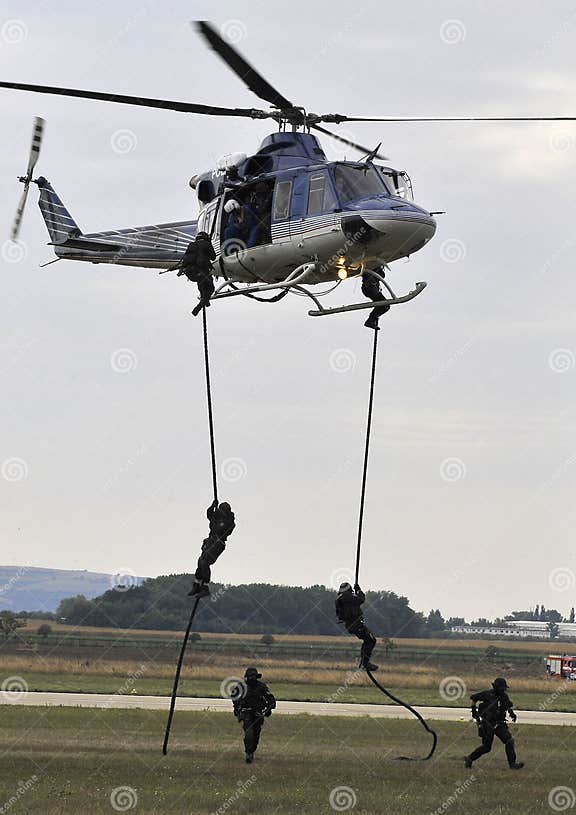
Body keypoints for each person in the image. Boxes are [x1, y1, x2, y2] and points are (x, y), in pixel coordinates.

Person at [464, 677, 524, 770]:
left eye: (504, 688)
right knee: (486, 747)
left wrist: (512, 714)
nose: (503, 690)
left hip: (499, 723)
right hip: (487, 724)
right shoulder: (487, 694)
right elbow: (473, 698)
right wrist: (473, 711)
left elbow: (508, 705)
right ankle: (469, 759)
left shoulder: (504, 696)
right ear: (496, 687)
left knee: (509, 741)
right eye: (501, 688)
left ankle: (512, 764)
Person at [188, 500, 235, 598]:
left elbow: (219, 529)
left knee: (205, 562)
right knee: (200, 561)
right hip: (210, 542)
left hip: (218, 544)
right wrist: (212, 506)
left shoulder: (229, 522)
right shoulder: (217, 517)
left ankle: (205, 587)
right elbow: (209, 514)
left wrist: (215, 520)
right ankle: (197, 584)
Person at [231, 667, 276, 763]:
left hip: (258, 713)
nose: (252, 678)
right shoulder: (241, 686)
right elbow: (234, 697)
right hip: (246, 712)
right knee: (249, 733)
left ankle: (251, 751)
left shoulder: (261, 686)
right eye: (250, 676)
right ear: (247, 677)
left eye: (254, 676)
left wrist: (269, 708)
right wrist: (237, 708)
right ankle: (249, 753)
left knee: (256, 734)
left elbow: (270, 698)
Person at [335, 582, 378, 671]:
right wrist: (358, 590)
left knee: (367, 640)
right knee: (371, 640)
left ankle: (363, 662)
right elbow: (361, 599)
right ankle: (365, 663)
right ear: (349, 590)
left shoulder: (339, 600)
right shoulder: (350, 598)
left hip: (350, 626)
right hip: (356, 625)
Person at [177, 232, 216, 316]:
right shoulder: (206, 244)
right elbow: (213, 257)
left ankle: (204, 299)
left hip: (191, 274)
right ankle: (200, 305)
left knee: (201, 284)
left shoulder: (191, 245)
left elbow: (185, 259)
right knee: (211, 288)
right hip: (201, 273)